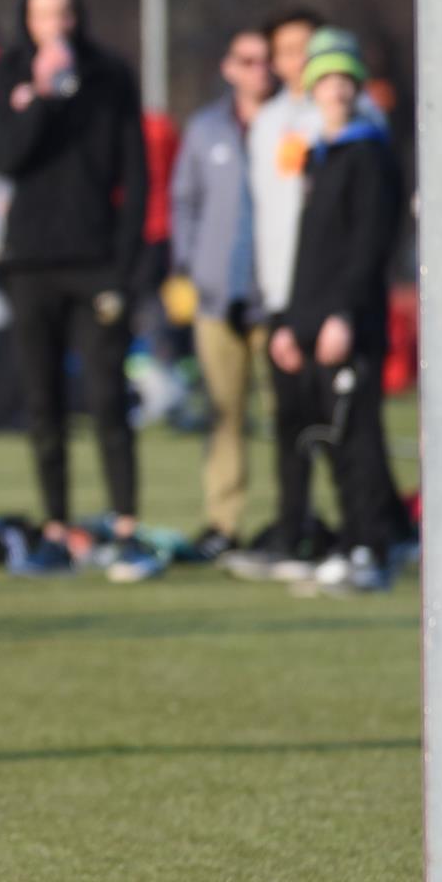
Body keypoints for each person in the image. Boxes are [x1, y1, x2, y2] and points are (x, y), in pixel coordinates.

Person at [0, 0, 154, 582]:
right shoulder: (8, 76)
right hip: (31, 262)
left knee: (108, 397)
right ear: (25, 20)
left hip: (96, 261)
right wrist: (42, 94)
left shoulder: (110, 77)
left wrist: (129, 261)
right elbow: (7, 158)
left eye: (63, 11)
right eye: (41, 13)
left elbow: (135, 173)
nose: (54, 23)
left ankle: (126, 526)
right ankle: (55, 528)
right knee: (43, 399)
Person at [264, 30, 404, 595]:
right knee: (325, 437)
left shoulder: (370, 154)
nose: (335, 89)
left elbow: (368, 246)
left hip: (351, 323)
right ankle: (349, 542)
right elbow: (310, 252)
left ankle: (370, 547)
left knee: (358, 437)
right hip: (311, 322)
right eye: (325, 80)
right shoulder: (318, 155)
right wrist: (291, 324)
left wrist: (343, 316)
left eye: (345, 80)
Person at [170, 28, 275, 560]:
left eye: (265, 60)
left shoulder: (288, 123)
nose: (259, 70)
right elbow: (184, 202)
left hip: (275, 297)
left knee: (283, 413)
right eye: (247, 61)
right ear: (228, 67)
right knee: (222, 413)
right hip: (216, 298)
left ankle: (288, 517)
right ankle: (223, 521)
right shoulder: (206, 128)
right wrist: (190, 268)